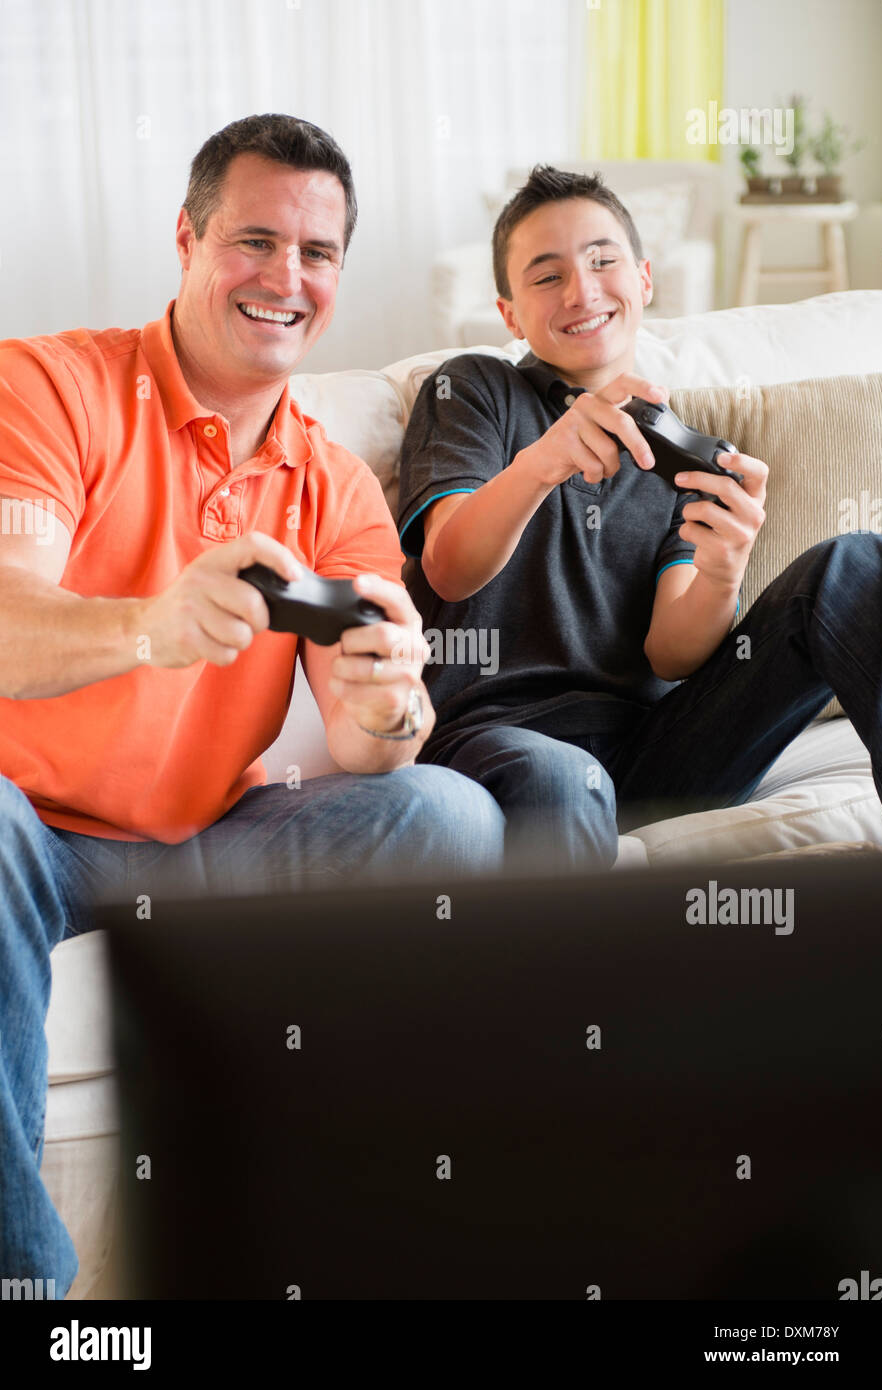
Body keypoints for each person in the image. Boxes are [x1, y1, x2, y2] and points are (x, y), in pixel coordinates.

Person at [0, 114, 504, 1296]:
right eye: (254, 241)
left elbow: (361, 733)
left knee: (451, 813)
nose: (285, 279)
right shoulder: (53, 387)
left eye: (316, 253)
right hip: (30, 835)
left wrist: (392, 709)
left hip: (199, 849)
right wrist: (147, 624)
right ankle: (35, 1296)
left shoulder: (332, 484)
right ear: (187, 238)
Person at [397, 163, 882, 871]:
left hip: (659, 747)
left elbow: (672, 654)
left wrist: (722, 571)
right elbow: (448, 565)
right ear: (509, 312)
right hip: (502, 739)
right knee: (564, 776)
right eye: (546, 276)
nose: (581, 291)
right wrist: (545, 459)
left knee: (856, 563)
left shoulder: (683, 455)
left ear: (644, 278)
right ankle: (589, 976)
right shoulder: (474, 389)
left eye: (603, 261)